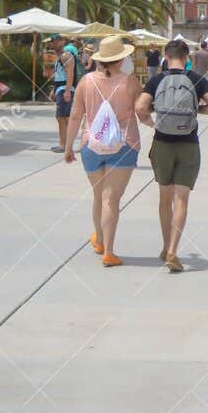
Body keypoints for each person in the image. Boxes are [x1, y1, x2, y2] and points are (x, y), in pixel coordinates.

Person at [138, 38, 208, 272]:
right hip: (188, 144)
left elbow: (140, 107)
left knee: (165, 198)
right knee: (181, 199)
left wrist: (153, 122)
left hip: (162, 143)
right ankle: (173, 250)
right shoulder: (196, 80)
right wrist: (198, 110)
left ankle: (166, 247)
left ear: (166, 56)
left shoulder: (156, 80)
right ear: (186, 59)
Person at [63, 35, 143, 268]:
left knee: (99, 195)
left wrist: (68, 147)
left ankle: (98, 239)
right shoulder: (131, 82)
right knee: (112, 198)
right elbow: (143, 113)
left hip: (91, 145)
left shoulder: (85, 82)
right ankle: (109, 252)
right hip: (124, 145)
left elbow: (76, 116)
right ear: (120, 59)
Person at [51, 38, 81, 151]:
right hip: (60, 88)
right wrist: (54, 89)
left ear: (62, 42)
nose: (54, 43)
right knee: (62, 118)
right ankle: (63, 143)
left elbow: (70, 74)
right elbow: (59, 75)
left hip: (64, 89)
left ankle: (64, 145)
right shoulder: (60, 57)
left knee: (62, 117)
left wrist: (67, 91)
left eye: (56, 41)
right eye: (52, 41)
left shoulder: (66, 56)